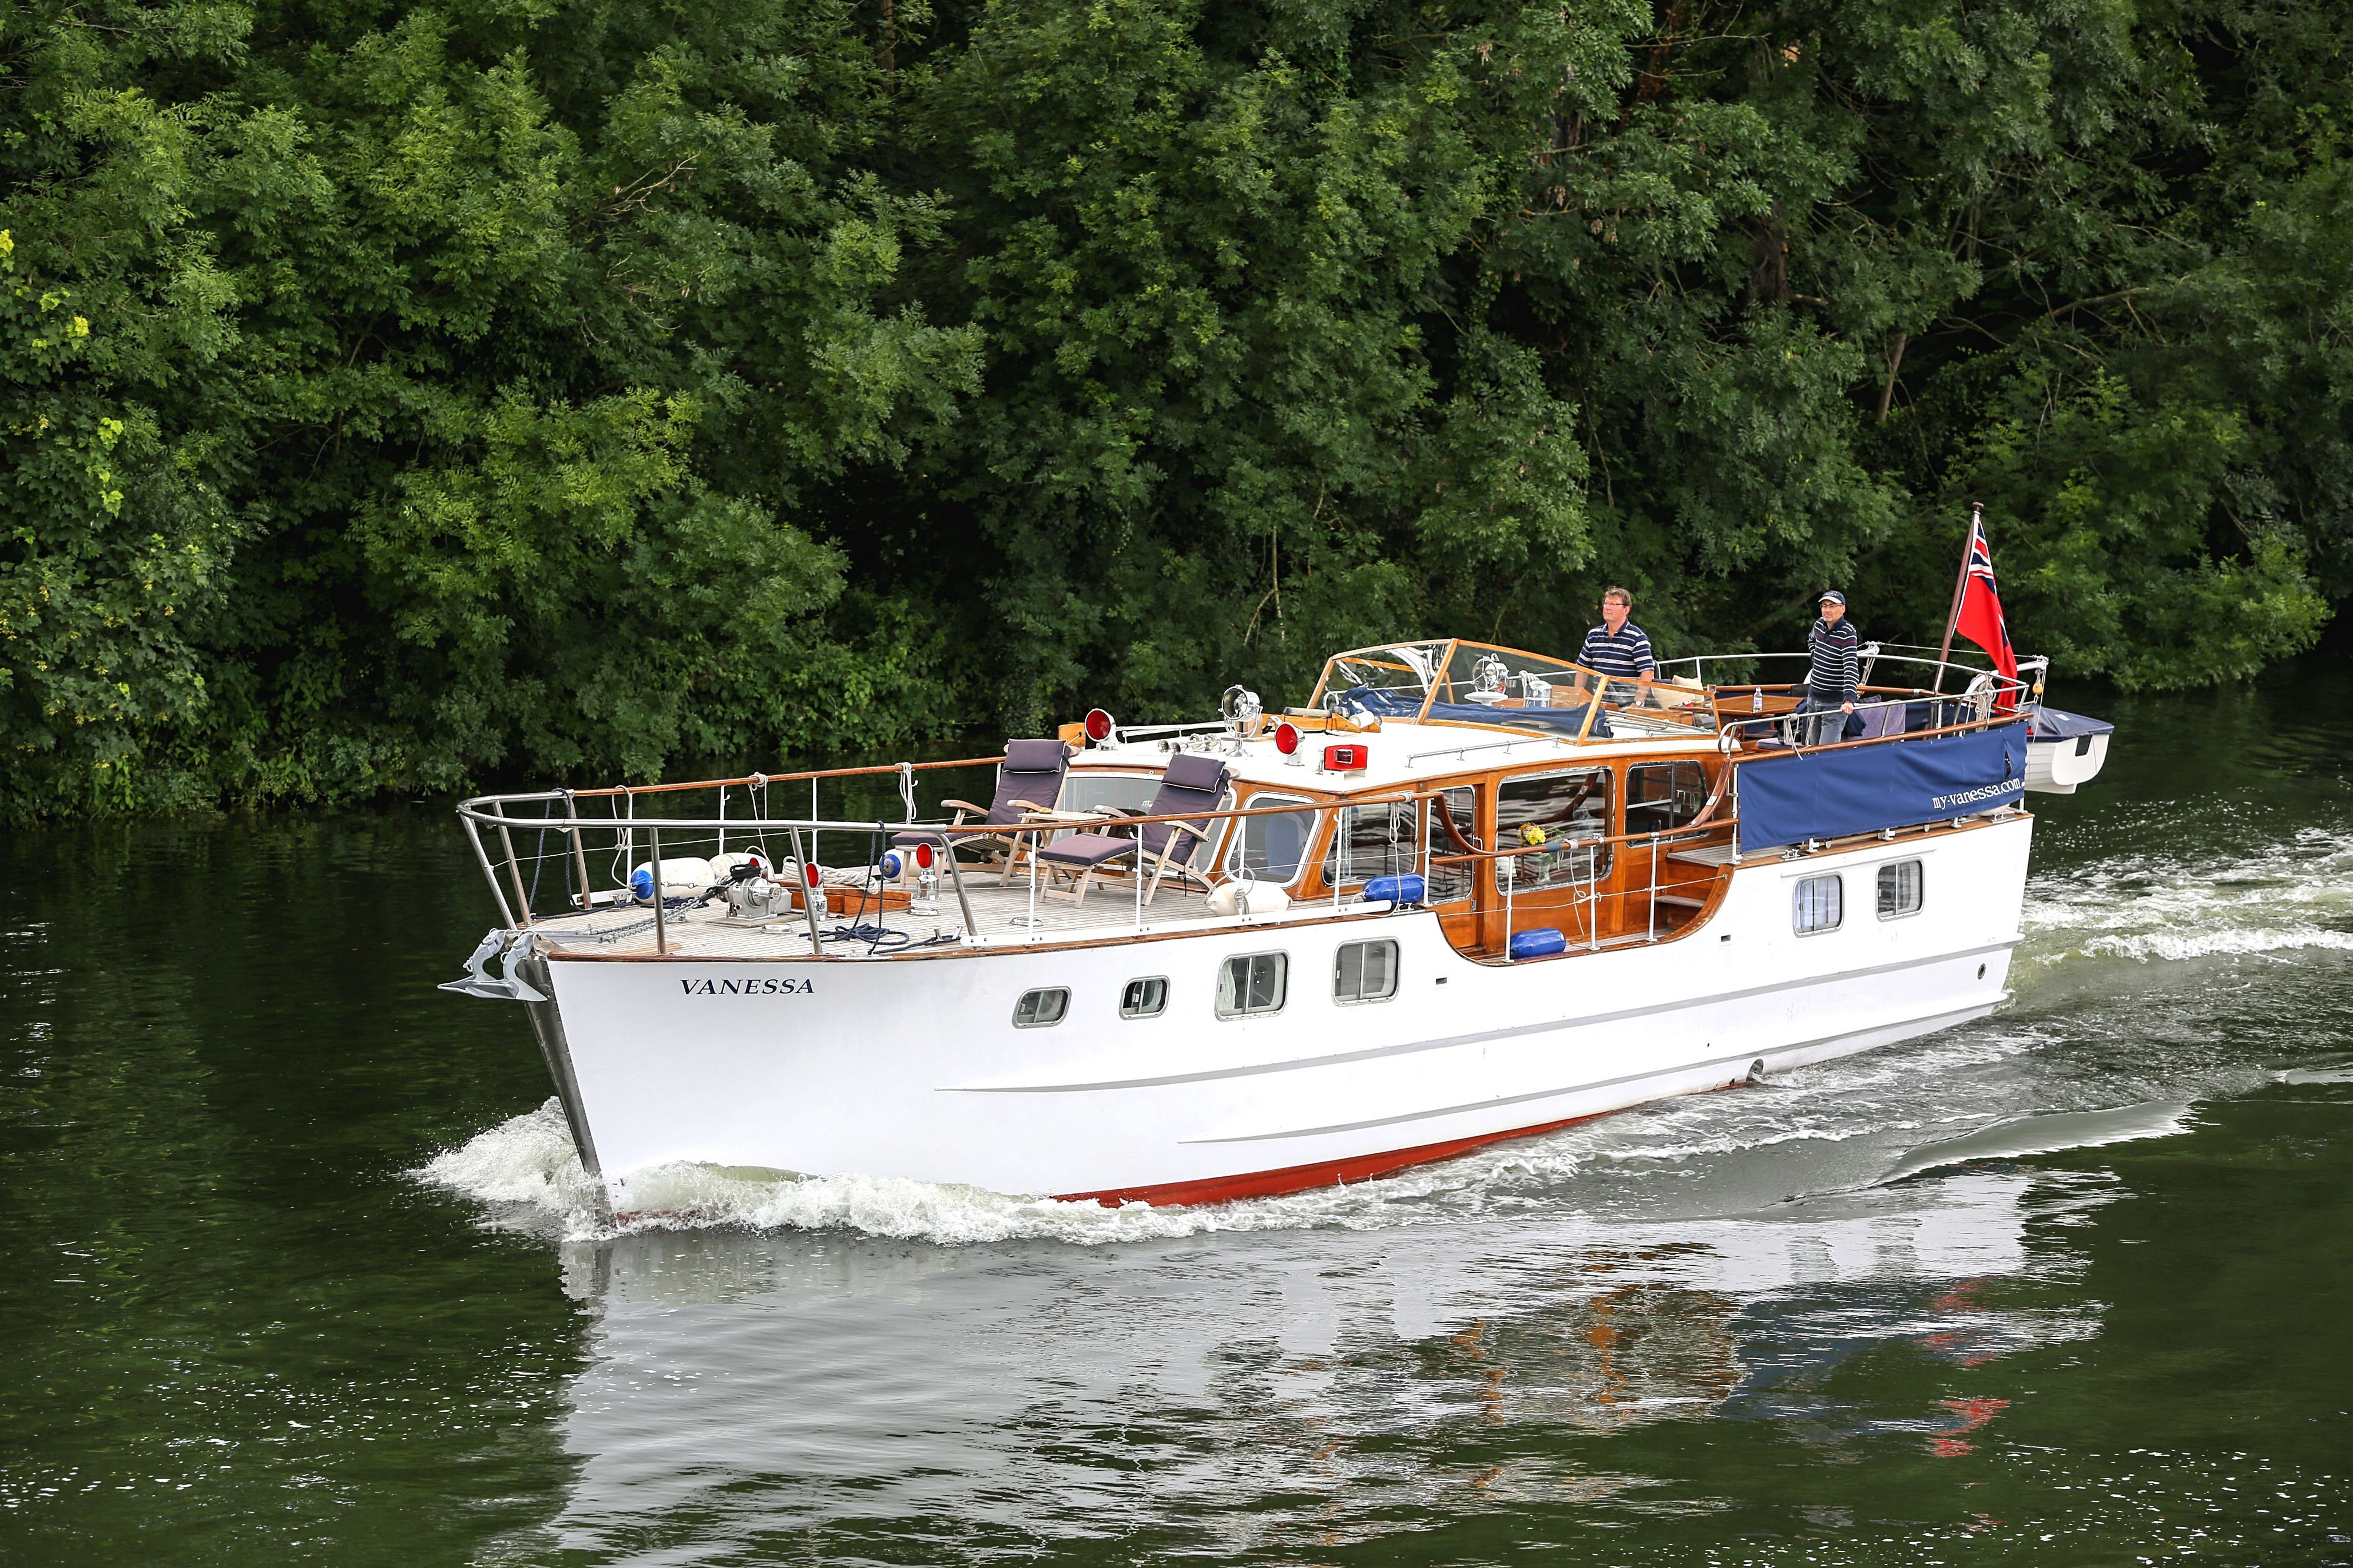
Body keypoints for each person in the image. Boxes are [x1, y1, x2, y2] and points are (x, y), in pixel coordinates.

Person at [1795, 590, 1860, 744]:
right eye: (1824, 606)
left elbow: (1851, 668)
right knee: (1811, 748)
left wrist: (1849, 700)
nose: (1827, 610)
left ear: (1842, 609)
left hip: (1834, 703)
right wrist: (1817, 658)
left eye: (1832, 606)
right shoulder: (1819, 624)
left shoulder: (1848, 633)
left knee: (1825, 752)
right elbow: (1811, 640)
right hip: (1813, 699)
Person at [1576, 586, 1656, 706]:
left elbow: (1648, 672)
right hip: (1597, 707)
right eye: (1606, 603)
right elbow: (1582, 669)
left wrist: (1638, 703)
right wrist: (1577, 697)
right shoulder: (1593, 635)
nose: (1608, 608)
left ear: (1626, 610)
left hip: (1626, 709)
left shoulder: (1637, 638)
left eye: (1613, 604)